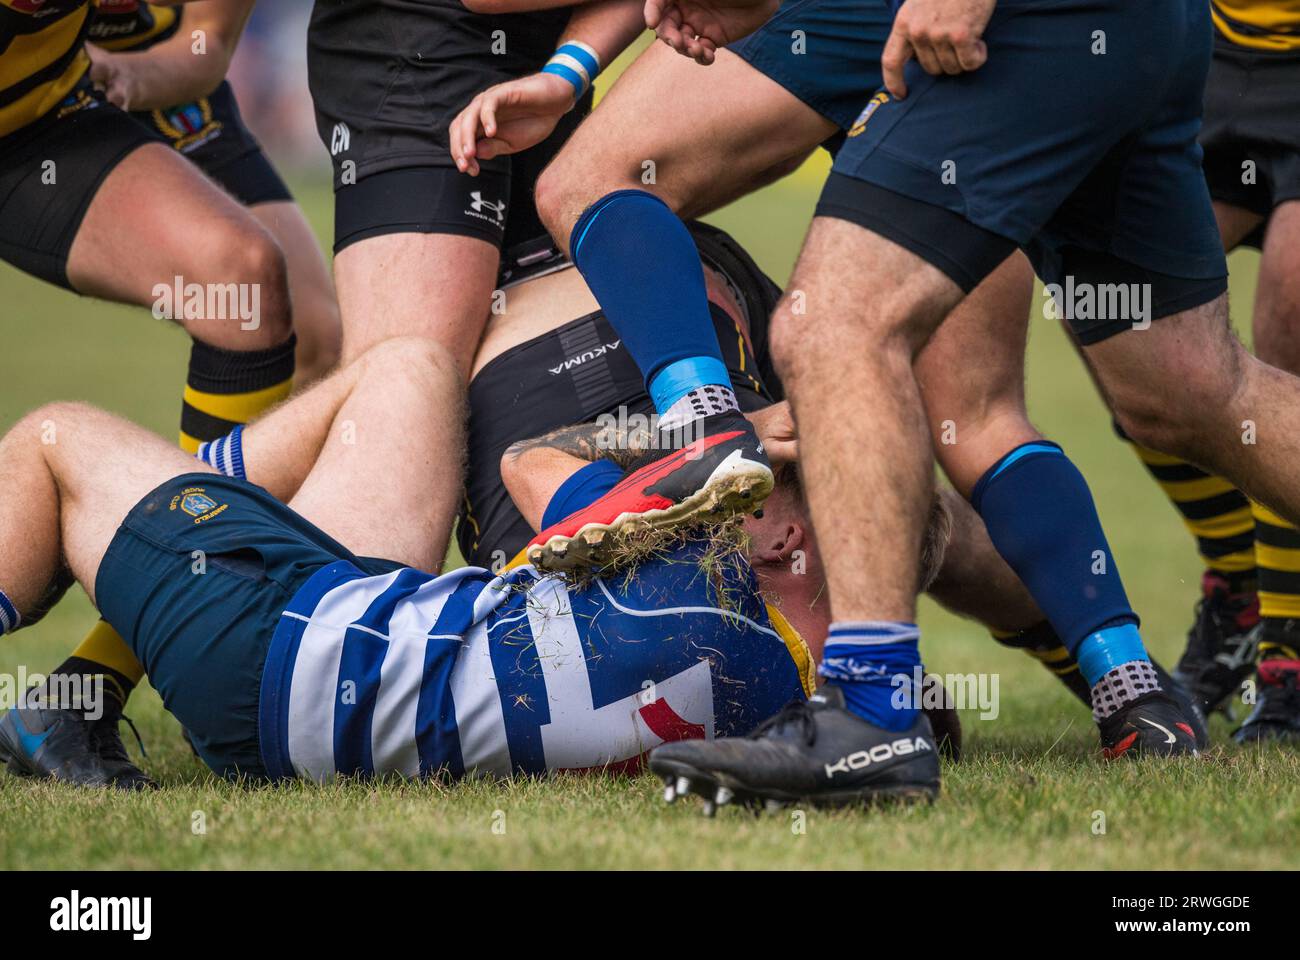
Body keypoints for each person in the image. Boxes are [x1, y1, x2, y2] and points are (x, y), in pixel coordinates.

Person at [449, 0, 1202, 757]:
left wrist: (569, 70)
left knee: (594, 181)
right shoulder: (725, 608)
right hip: (996, 44)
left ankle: (709, 430)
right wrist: (569, 70)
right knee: (992, 420)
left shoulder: (680, 604)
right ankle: (1131, 689)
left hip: (931, 26)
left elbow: (532, 463)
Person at [643, 0, 1300, 807]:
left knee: (837, 324)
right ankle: (1114, 681)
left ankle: (874, 716)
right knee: (1191, 388)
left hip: (1030, 21)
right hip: (1137, 24)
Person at [0, 336, 854, 785]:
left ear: (788, 542)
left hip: (272, 640)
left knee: (53, 438)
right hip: (326, 690)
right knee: (410, 372)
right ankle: (187, 514)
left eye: (758, 500)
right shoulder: (800, 715)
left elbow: (530, 460)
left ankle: (139, 553)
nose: (734, 502)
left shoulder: (685, 560)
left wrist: (710, 442)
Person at [0, 0, 340, 788]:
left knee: (261, 295)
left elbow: (206, 47)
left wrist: (123, 74)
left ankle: (85, 690)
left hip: (60, 105)